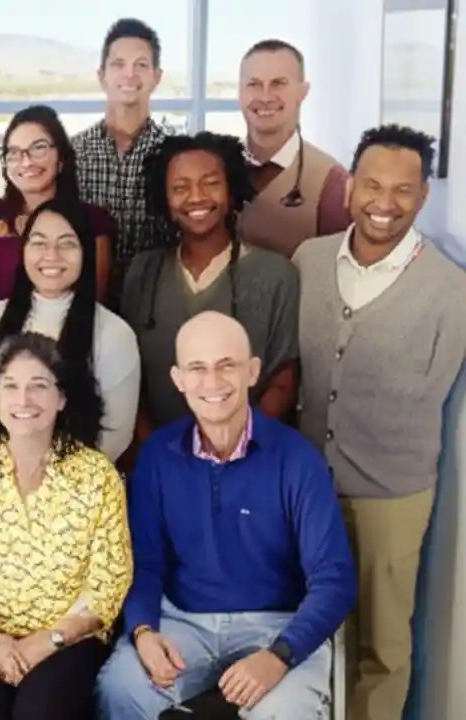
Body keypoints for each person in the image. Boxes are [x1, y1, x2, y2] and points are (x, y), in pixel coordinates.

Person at [95, 311, 356, 720]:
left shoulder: (297, 459)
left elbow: (334, 578)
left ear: (252, 371)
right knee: (120, 690)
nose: (213, 383)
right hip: (183, 620)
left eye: (227, 366)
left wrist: (280, 656)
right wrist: (143, 632)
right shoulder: (158, 457)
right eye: (197, 369)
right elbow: (144, 563)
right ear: (178, 379)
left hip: (279, 625)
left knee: (287, 713)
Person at [292, 124, 466, 720]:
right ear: (349, 188)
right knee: (307, 631)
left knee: (383, 645)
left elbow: (430, 393)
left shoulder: (451, 291)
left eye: (402, 190)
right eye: (371, 185)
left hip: (393, 495)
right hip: (307, 488)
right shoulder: (309, 262)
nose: (384, 204)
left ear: (422, 198)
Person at [0, 332, 130, 720]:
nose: (24, 401)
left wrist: (46, 642)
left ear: (62, 397)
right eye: (11, 387)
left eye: (39, 387)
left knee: (40, 711)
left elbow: (108, 584)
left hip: (68, 644)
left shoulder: (95, 475)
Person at [122, 132, 299, 434]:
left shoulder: (276, 275)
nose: (196, 197)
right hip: (161, 460)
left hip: (247, 457)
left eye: (211, 183)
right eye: (180, 187)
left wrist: (237, 451)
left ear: (232, 192)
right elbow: (130, 377)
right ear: (164, 200)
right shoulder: (143, 272)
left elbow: (283, 378)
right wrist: (152, 452)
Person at [0, 197, 139, 463]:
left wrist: (48, 481)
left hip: (78, 488)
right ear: (24, 250)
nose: (51, 255)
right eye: (39, 243)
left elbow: (115, 436)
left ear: (86, 252)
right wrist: (8, 476)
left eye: (67, 244)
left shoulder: (114, 333)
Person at [0, 105, 116, 323]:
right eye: (14, 152)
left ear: (61, 158)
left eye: (38, 148)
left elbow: (94, 311)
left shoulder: (91, 222)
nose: (26, 161)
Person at [72, 18, 174, 306]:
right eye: (118, 64)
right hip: (86, 304)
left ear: (157, 76)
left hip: (157, 305)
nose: (129, 74)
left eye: (141, 65)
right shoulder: (72, 153)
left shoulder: (174, 156)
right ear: (102, 75)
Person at [237, 39, 349, 257]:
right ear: (240, 92)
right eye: (254, 84)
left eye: (278, 83)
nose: (266, 97)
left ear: (303, 91)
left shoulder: (332, 185)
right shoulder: (216, 168)